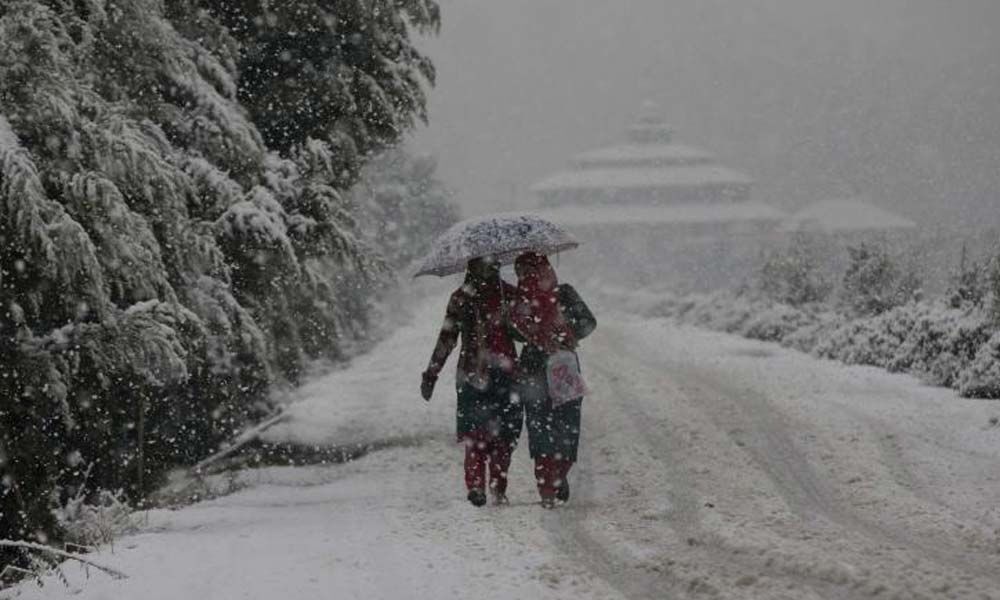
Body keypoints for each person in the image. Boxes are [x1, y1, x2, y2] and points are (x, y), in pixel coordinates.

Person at [421, 256, 522, 507]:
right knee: (498, 436)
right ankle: (489, 486)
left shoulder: (465, 297)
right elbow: (448, 337)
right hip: (499, 374)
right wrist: (431, 374)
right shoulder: (499, 294)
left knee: (485, 435)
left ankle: (481, 484)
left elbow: (447, 338)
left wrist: (432, 374)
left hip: (473, 373)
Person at [510, 252, 596, 509]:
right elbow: (589, 323)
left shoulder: (519, 300)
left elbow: (512, 331)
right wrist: (568, 336)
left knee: (540, 426)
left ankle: (547, 484)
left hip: (534, 366)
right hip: (563, 364)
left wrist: (534, 334)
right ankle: (558, 473)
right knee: (567, 423)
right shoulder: (564, 292)